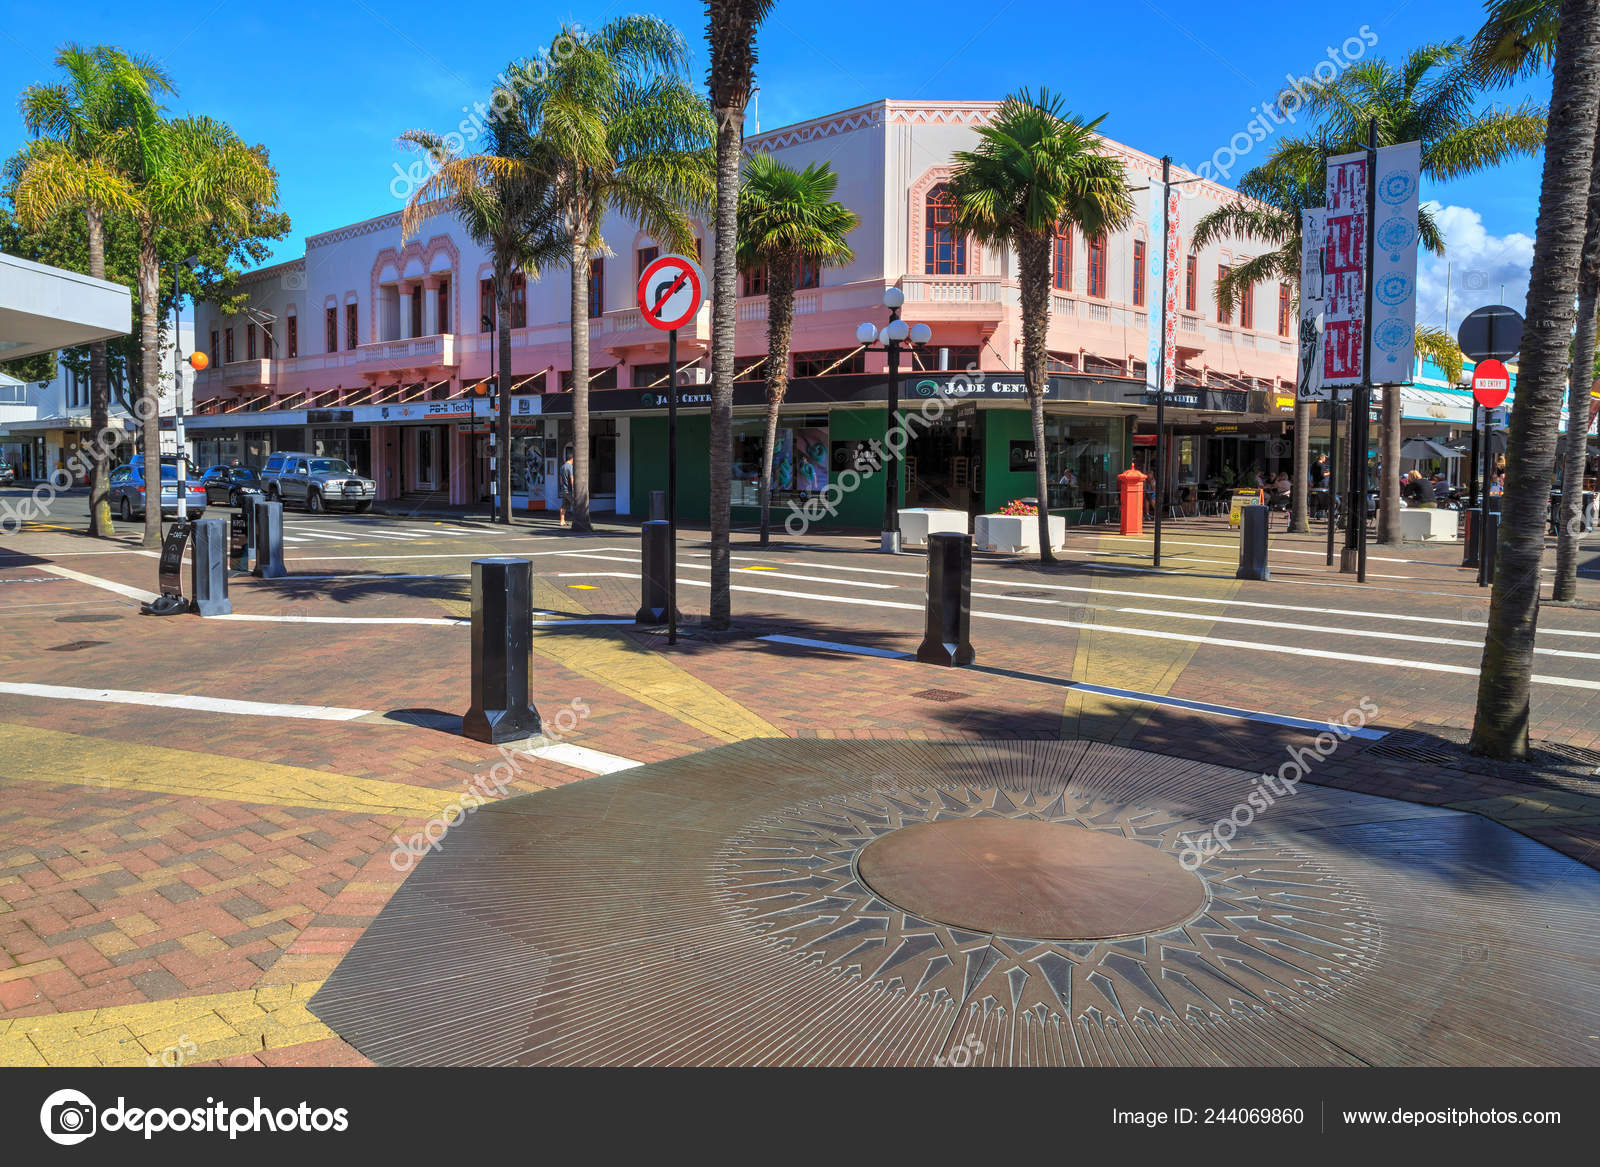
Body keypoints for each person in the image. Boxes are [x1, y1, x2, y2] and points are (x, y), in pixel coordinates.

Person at [558, 445, 575, 527]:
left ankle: (562, 521)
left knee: (564, 505)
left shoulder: (562, 466)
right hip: (569, 490)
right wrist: (574, 488)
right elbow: (572, 479)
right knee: (576, 505)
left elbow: (560, 479)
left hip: (563, 490)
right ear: (572, 458)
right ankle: (577, 521)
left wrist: (562, 487)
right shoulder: (570, 467)